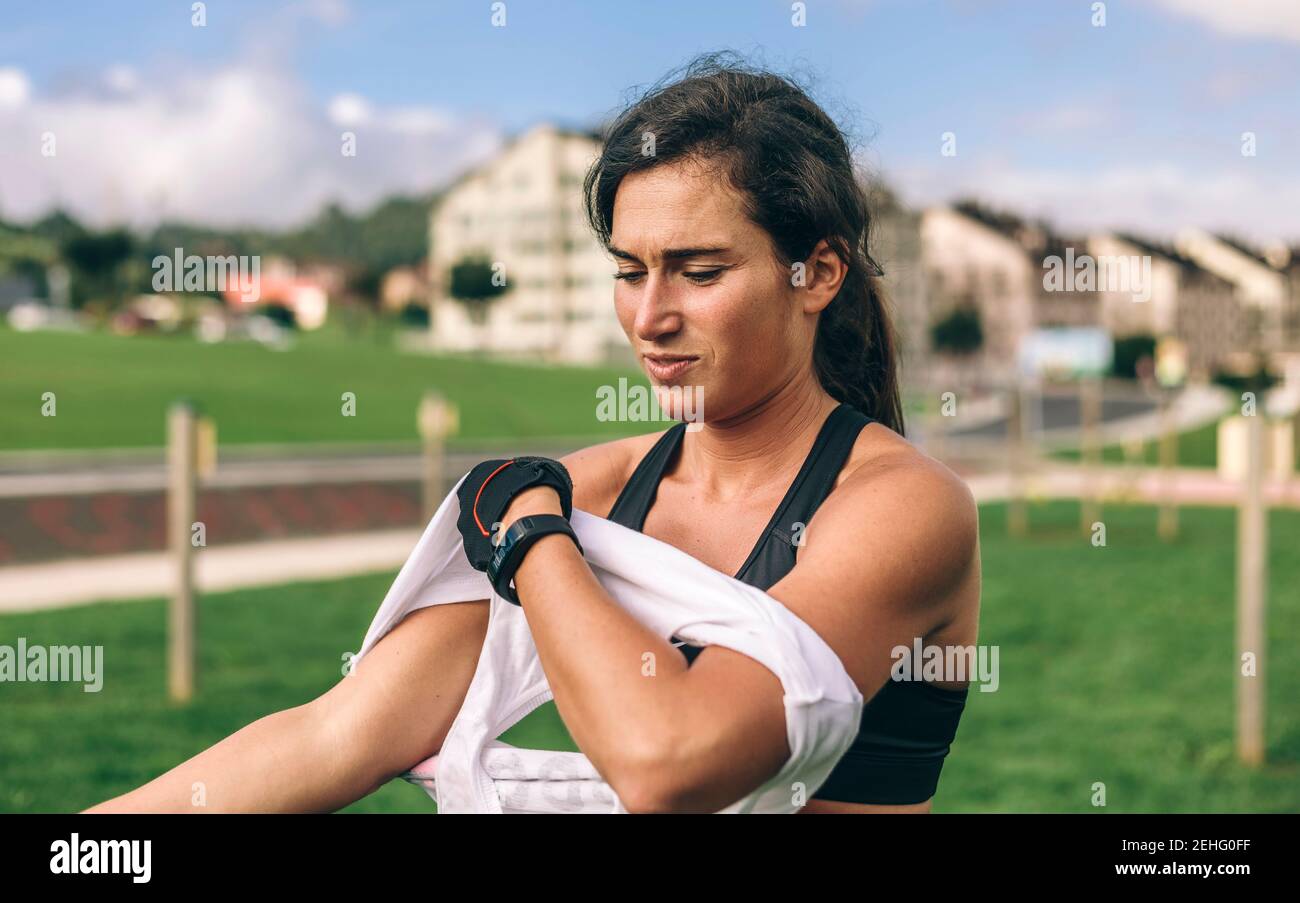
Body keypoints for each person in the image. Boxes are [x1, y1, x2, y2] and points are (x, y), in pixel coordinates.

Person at [85, 52, 980, 815]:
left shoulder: (902, 509)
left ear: (815, 273)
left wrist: (532, 542)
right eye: (630, 271)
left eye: (698, 271)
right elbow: (338, 733)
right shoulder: (589, 491)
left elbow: (672, 759)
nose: (651, 316)